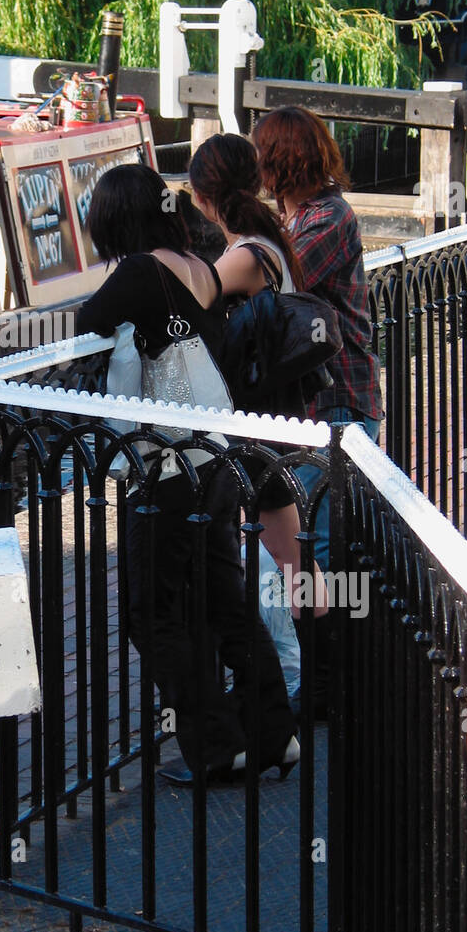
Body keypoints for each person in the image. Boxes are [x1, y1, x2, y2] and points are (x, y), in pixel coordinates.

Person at [75, 163, 299, 784]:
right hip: (215, 456)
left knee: (151, 612)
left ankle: (217, 746)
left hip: (169, 466)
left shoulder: (141, 270)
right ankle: (275, 734)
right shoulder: (199, 266)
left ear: (115, 218)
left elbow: (84, 322)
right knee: (223, 601)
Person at [252, 107, 383, 712]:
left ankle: (326, 687)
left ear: (282, 161)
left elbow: (275, 279)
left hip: (340, 404)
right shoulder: (309, 214)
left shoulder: (327, 220)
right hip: (326, 406)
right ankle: (329, 680)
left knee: (317, 549)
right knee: (315, 547)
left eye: (264, 157)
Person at [188, 133, 329, 676]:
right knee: (289, 552)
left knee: (287, 558)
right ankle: (314, 673)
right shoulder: (266, 241)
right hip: (278, 414)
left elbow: (190, 301)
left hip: (261, 421)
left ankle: (312, 682)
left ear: (204, 196)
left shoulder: (245, 255)